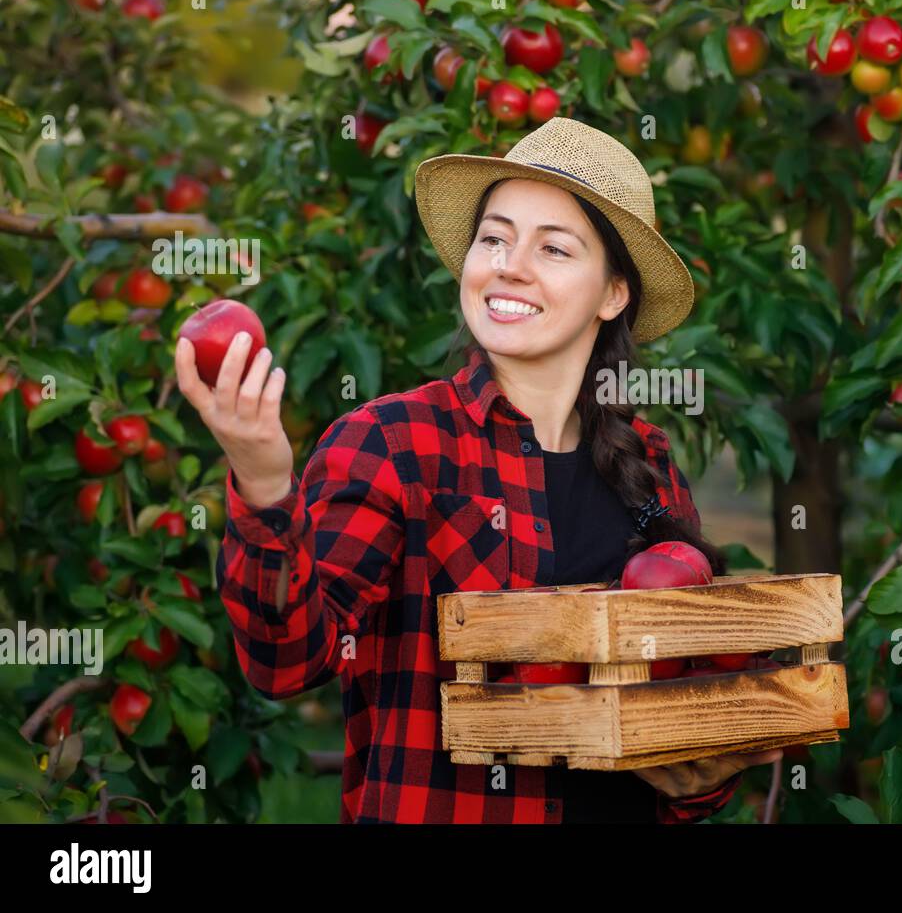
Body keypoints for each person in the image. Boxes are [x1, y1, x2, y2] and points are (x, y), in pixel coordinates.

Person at [174, 117, 780, 823]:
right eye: (493, 238)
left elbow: (668, 730)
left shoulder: (648, 467)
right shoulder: (391, 444)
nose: (508, 265)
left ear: (613, 294)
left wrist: (700, 777)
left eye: (553, 248)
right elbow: (287, 662)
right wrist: (264, 485)